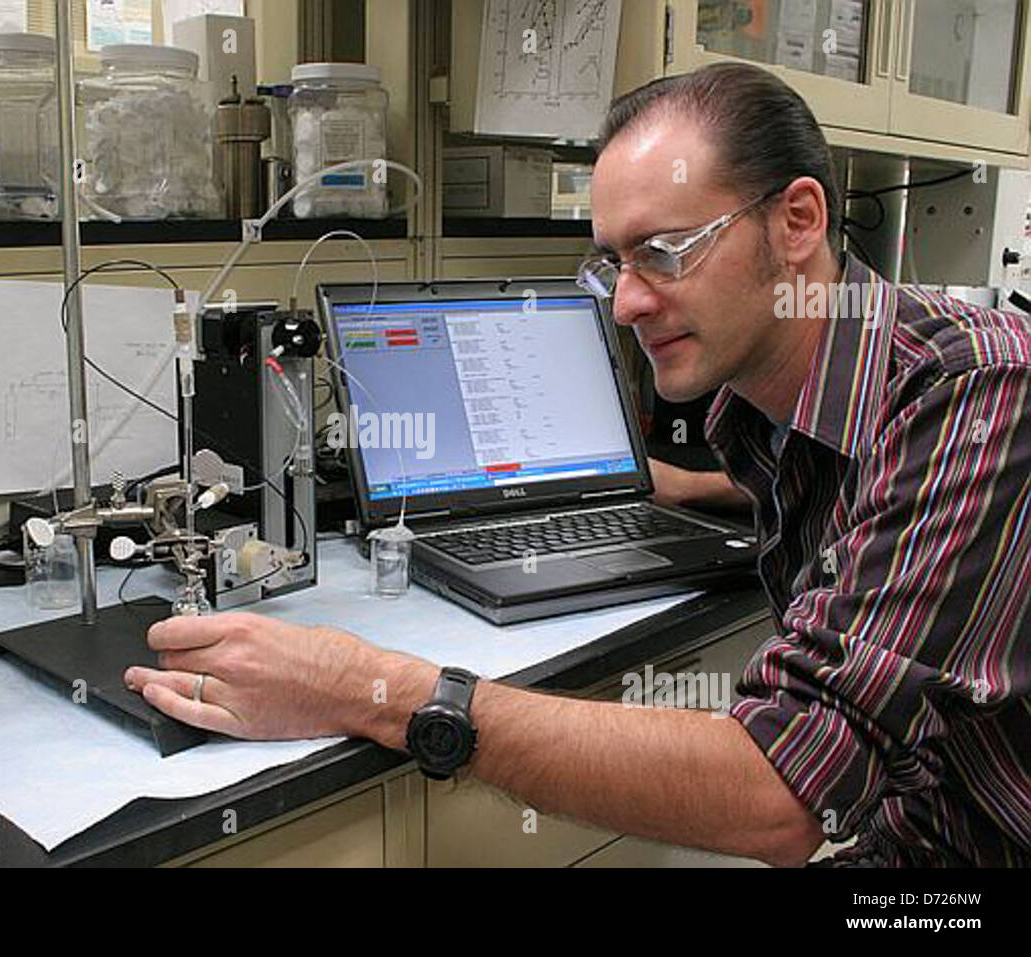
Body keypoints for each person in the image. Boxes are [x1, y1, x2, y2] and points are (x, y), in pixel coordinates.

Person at [125, 63, 1031, 867]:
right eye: (612, 262)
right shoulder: (775, 394)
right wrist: (695, 485)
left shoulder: (981, 389)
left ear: (797, 220)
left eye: (665, 251)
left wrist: (377, 690)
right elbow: (881, 489)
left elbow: (779, 793)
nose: (629, 302)